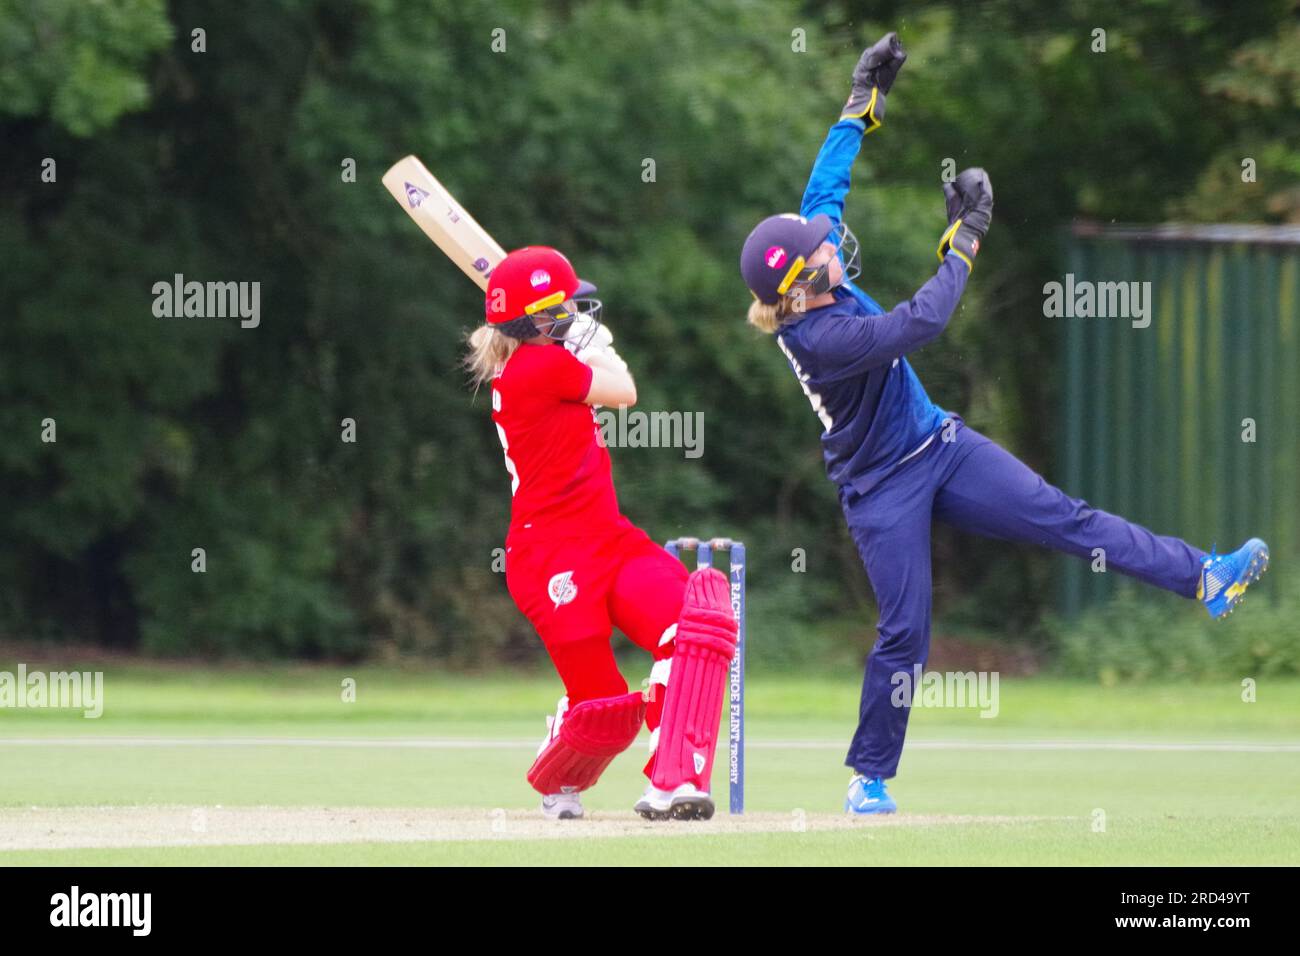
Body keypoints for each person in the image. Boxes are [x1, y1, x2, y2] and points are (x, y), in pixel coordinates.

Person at [737, 33, 1270, 815]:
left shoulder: (809, 280)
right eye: (824, 254)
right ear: (803, 288)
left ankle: (1204, 577)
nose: (835, 246)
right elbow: (922, 322)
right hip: (880, 487)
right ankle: (869, 778)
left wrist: (862, 103)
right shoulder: (819, 338)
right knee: (906, 631)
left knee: (1066, 518)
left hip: (941, 447)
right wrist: (965, 243)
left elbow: (827, 182)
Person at [465, 246, 738, 821]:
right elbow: (625, 392)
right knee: (606, 708)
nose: (574, 311)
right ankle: (557, 768)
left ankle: (675, 779)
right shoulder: (539, 368)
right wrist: (597, 343)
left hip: (608, 540)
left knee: (695, 619)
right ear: (538, 318)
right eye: (562, 306)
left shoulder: (545, 360)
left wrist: (579, 340)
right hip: (549, 558)